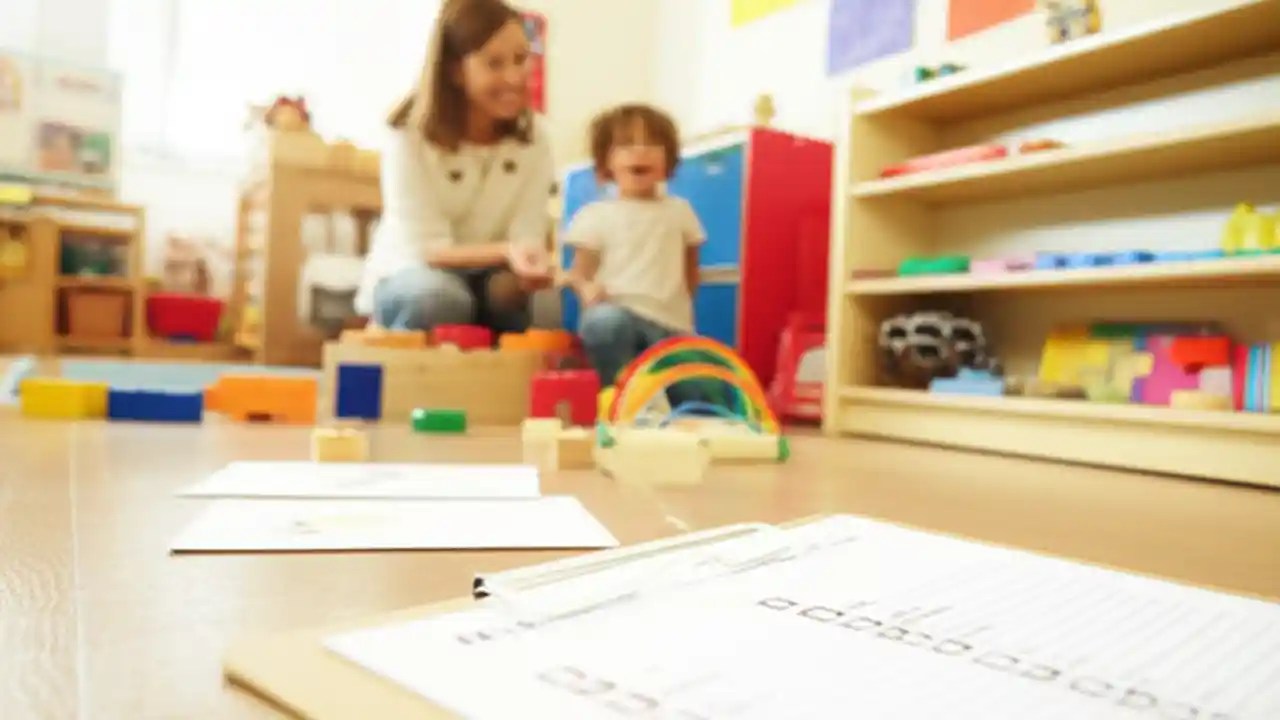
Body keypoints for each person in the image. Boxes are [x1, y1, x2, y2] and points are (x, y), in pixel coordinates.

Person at [356, 0, 554, 335]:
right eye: (494, 63)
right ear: (455, 71)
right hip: (414, 272)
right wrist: (509, 251)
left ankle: (493, 380)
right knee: (442, 299)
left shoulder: (535, 138)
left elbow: (527, 231)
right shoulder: (407, 137)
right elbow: (427, 248)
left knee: (522, 298)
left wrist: (533, 261)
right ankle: (393, 351)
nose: (514, 77)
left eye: (522, 59)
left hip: (489, 274)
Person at [564, 104, 705, 391]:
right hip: (620, 316)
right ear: (606, 162)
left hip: (671, 329)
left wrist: (681, 319)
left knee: (701, 392)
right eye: (626, 145)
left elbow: (691, 274)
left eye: (652, 144)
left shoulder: (680, 212)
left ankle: (654, 394)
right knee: (602, 323)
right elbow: (578, 274)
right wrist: (586, 288)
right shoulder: (595, 214)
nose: (640, 151)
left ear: (669, 160)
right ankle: (618, 395)